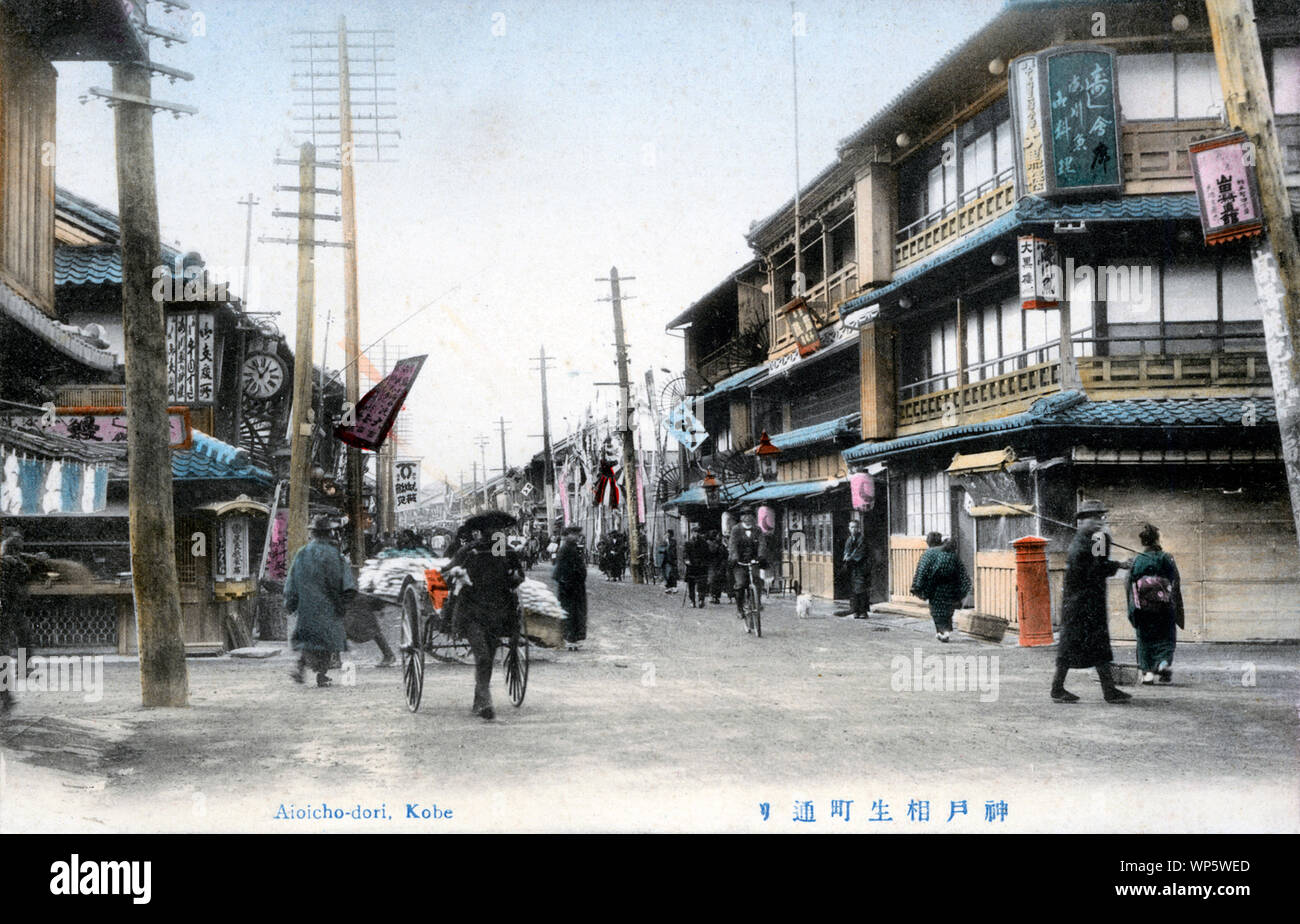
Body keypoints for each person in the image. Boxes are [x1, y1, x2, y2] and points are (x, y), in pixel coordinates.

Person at [444, 514, 526, 720]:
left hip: (499, 610)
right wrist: (455, 573)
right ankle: (485, 702)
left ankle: (478, 699)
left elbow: (518, 575)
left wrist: (515, 578)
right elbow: (446, 574)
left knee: (488, 654)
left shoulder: (503, 550)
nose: (496, 533)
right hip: (472, 611)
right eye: (491, 529)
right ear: (482, 531)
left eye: (499, 529)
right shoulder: (470, 550)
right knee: (482, 656)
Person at [1052, 499, 1132, 704]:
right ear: (1083, 520)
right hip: (1086, 602)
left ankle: (1105, 690)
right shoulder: (1098, 538)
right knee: (1091, 644)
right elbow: (1098, 568)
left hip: (1077, 601)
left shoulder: (1083, 538)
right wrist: (1121, 564)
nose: (1098, 521)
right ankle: (1063, 688)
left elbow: (1095, 565)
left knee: (1080, 645)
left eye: (1100, 517)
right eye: (1093, 518)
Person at [285, 515, 357, 687]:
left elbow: (292, 581)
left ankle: (300, 667)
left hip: (307, 606)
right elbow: (346, 582)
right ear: (328, 533)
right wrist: (345, 600)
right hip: (329, 606)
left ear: (314, 534)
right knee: (327, 641)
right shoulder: (334, 555)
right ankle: (322, 675)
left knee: (308, 640)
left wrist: (290, 602)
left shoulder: (302, 553)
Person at [1126, 523, 1184, 684]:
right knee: (1166, 637)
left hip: (1144, 607)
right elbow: (1175, 580)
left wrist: (1133, 607)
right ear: (1157, 539)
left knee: (1144, 639)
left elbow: (1130, 583)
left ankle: (1147, 674)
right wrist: (1172, 602)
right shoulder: (1166, 557)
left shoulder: (1138, 559)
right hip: (1164, 606)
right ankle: (1163, 663)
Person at [911, 532, 972, 642]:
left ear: (929, 542)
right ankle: (945, 631)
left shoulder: (929, 553)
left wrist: (917, 586)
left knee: (936, 610)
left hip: (934, 586)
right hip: (950, 586)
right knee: (947, 610)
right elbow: (961, 573)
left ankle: (941, 632)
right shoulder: (951, 553)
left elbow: (922, 570)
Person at [0, 534, 34, 713]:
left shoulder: (10, 563)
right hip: (9, 611)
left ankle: (7, 697)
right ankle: (7, 696)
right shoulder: (16, 565)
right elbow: (25, 572)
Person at [728, 508, 769, 632]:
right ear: (741, 518)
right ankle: (740, 608)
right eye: (745, 515)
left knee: (757, 581)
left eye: (750, 515)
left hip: (753, 561)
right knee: (740, 585)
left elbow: (762, 543)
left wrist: (761, 556)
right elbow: (733, 545)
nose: (748, 517)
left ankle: (758, 602)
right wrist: (735, 557)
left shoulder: (758, 529)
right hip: (739, 563)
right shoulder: (736, 529)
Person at [553, 526, 588, 650]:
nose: (577, 537)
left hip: (575, 585)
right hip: (569, 586)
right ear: (568, 535)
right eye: (575, 535)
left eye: (578, 535)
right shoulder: (565, 549)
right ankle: (569, 638)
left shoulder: (571, 548)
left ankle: (572, 638)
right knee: (570, 612)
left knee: (575, 612)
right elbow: (560, 568)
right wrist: (564, 581)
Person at [841, 517, 872, 619]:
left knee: (861, 590)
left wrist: (850, 557)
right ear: (849, 528)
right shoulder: (849, 539)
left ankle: (863, 612)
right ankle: (855, 611)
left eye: (855, 527)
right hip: (852, 569)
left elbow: (860, 552)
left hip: (861, 568)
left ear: (858, 528)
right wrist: (846, 556)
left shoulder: (862, 539)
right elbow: (846, 551)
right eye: (851, 527)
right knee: (853, 590)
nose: (853, 529)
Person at [683, 526, 710, 608]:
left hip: (701, 566)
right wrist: (687, 560)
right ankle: (692, 600)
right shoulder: (688, 543)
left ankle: (701, 599)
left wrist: (705, 562)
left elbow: (707, 554)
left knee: (702, 584)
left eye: (698, 532)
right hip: (691, 567)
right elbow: (685, 554)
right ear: (692, 533)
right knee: (691, 584)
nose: (696, 534)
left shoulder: (704, 543)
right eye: (694, 532)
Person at [706, 530, 726, 603]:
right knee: (712, 580)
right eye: (718, 536)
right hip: (712, 564)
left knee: (718, 580)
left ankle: (717, 596)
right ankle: (712, 595)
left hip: (719, 564)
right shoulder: (709, 544)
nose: (719, 537)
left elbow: (724, 554)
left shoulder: (721, 545)